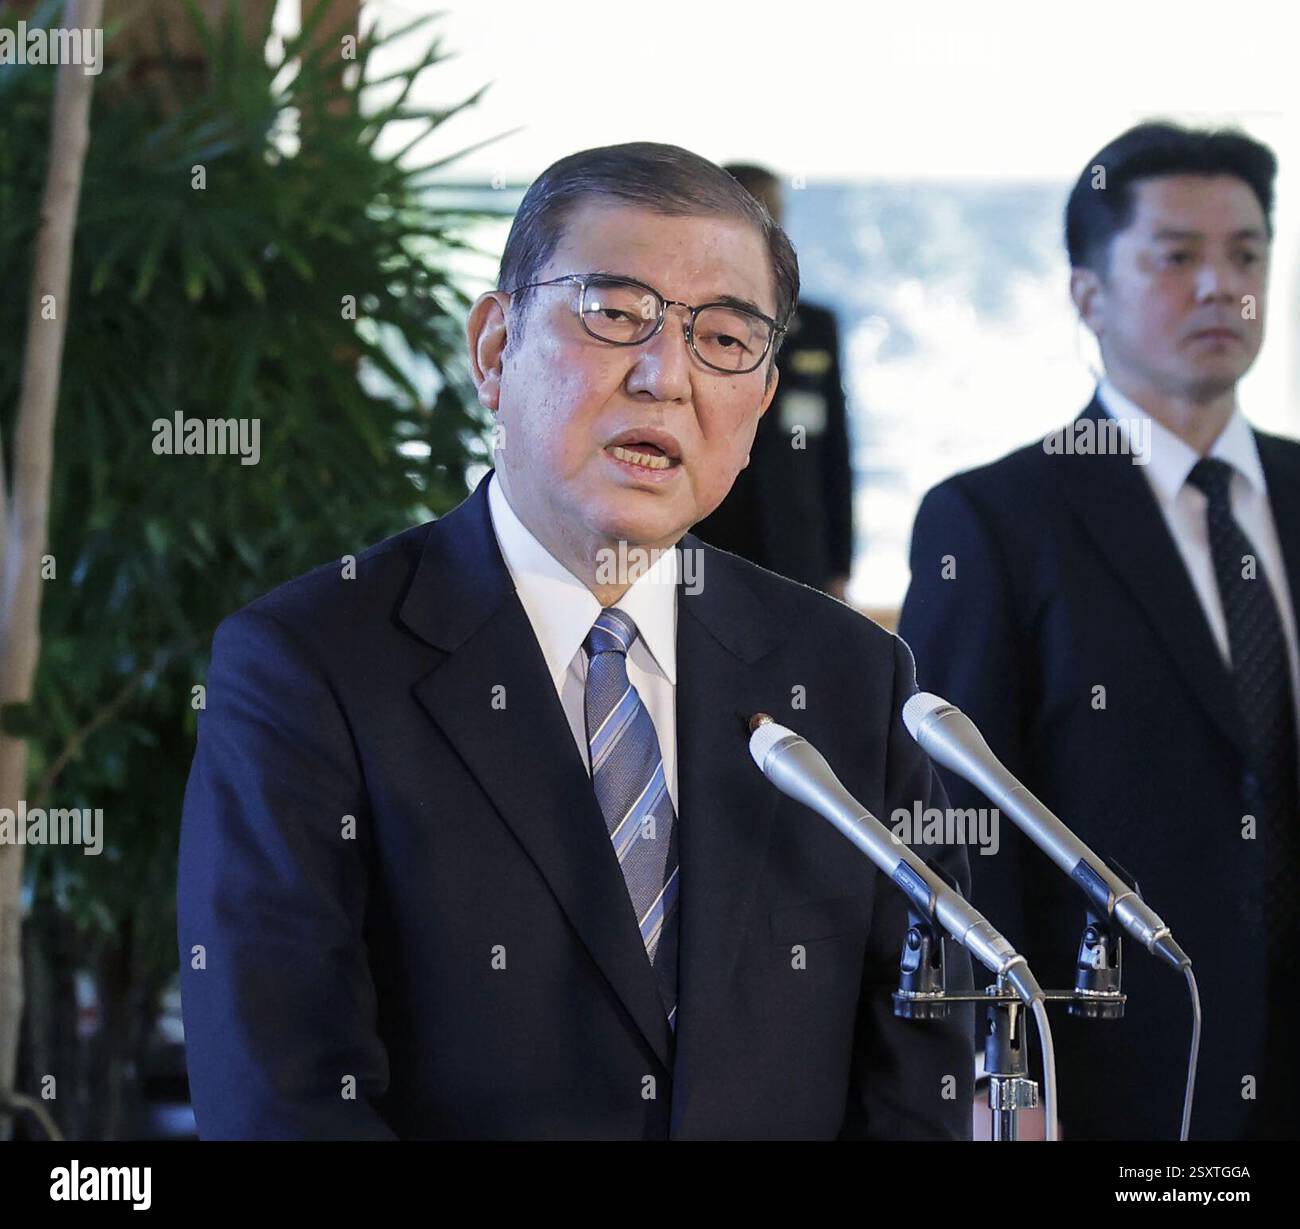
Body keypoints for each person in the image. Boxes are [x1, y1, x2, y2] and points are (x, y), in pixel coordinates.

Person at [178, 141, 974, 1140]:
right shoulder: (309, 667)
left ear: (762, 398)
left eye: (725, 339)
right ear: (495, 349)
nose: (664, 377)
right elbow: (280, 1098)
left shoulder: (847, 676)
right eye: (614, 313)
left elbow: (916, 1073)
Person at [899, 122, 1300, 1140]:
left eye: (1246, 254)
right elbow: (955, 823)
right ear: (1088, 294)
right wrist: (997, 1075)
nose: (1220, 286)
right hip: (1122, 1062)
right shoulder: (997, 519)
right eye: (1176, 256)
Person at [691, 164, 855, 600]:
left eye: (776, 214)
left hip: (798, 550)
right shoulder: (686, 324)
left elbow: (835, 450)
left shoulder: (816, 326)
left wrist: (840, 566)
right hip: (710, 544)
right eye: (757, 213)